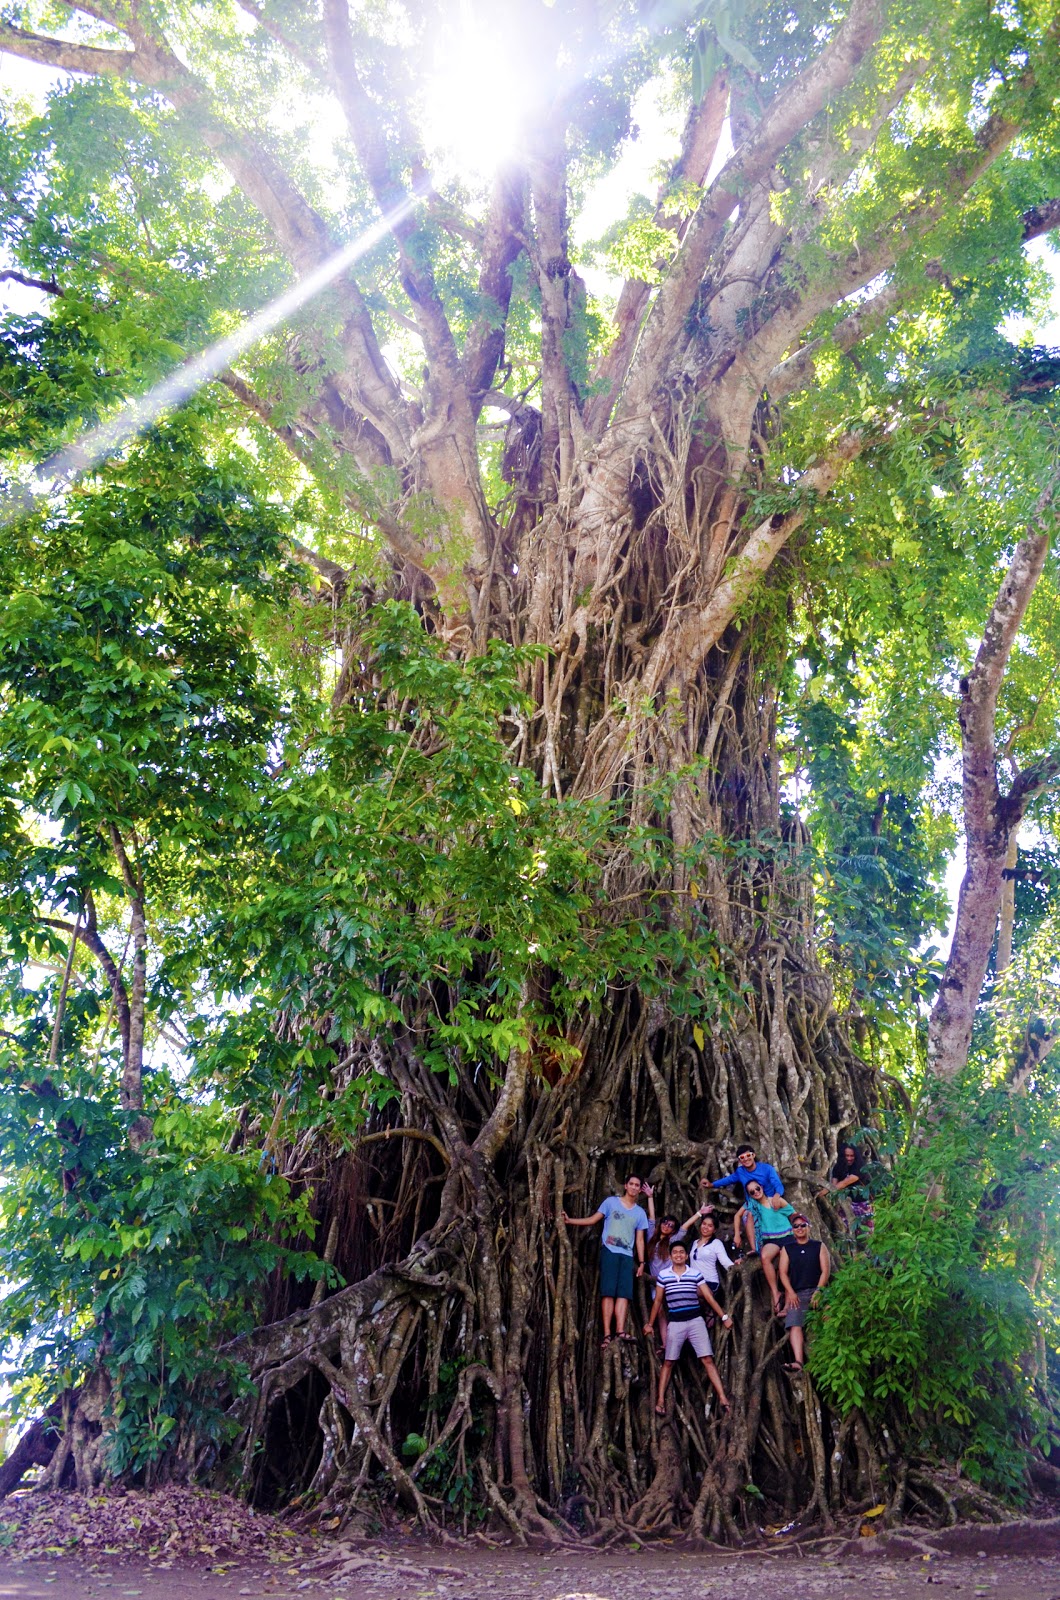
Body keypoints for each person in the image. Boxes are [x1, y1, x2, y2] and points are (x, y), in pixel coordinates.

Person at [643, 1239, 732, 1416]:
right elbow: (658, 1301)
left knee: (707, 1359)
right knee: (668, 1362)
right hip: (675, 1323)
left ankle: (723, 1398)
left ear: (686, 1256)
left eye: (681, 1252)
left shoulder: (695, 1274)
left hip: (695, 1321)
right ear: (670, 1256)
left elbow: (708, 1297)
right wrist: (650, 1324)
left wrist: (724, 1317)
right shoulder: (663, 1276)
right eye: (675, 1252)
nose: (678, 1255)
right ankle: (660, 1400)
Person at [564, 1175, 649, 1347]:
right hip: (610, 1251)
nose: (633, 1187)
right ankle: (607, 1334)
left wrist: (642, 1262)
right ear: (625, 1186)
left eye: (637, 1185)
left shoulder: (640, 1213)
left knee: (624, 1294)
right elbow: (593, 1219)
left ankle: (620, 1330)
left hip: (627, 1255)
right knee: (608, 1292)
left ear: (640, 1189)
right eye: (631, 1184)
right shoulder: (611, 1202)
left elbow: (640, 1240)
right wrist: (570, 1220)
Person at [703, 1143, 784, 1256]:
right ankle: (755, 1248)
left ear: (753, 1155)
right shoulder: (741, 1172)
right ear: (739, 1160)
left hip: (769, 1202)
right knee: (748, 1215)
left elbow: (778, 1184)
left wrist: (776, 1196)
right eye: (742, 1157)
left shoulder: (767, 1169)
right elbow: (729, 1179)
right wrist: (712, 1184)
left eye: (748, 1155)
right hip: (752, 1204)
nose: (746, 1159)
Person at [778, 1214, 830, 1371]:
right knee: (794, 1324)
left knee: (828, 1316)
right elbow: (782, 1273)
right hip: (797, 1294)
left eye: (803, 1225)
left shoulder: (819, 1246)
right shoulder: (788, 1249)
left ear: (808, 1227)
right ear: (792, 1230)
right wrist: (791, 1292)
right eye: (796, 1226)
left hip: (819, 1290)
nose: (799, 1228)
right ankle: (798, 1362)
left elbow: (825, 1270)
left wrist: (819, 1290)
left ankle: (830, 1354)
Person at [743, 1178, 796, 1316]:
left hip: (787, 1237)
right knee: (765, 1256)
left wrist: (799, 1233)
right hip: (770, 1239)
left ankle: (787, 1305)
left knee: (785, 1265)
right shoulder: (754, 1208)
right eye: (752, 1192)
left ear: (761, 1187)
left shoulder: (776, 1200)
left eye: (757, 1188)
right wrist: (753, 1246)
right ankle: (775, 1292)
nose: (756, 1192)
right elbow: (745, 1220)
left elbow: (794, 1215)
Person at [642, 1183, 679, 1347]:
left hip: (670, 1281)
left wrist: (699, 1213)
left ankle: (675, 1344)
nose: (666, 1226)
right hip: (655, 1283)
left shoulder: (673, 1240)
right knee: (660, 1313)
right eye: (665, 1222)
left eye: (671, 1226)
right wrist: (650, 1197)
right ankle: (666, 1344)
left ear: (673, 1231)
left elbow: (685, 1227)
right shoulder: (651, 1236)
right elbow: (651, 1218)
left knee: (671, 1311)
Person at [678, 1205, 733, 1302]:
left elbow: (725, 1261)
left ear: (714, 1230)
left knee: (684, 1291)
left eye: (710, 1226)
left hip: (709, 1282)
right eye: (704, 1224)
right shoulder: (695, 1243)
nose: (706, 1227)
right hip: (694, 1281)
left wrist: (735, 1266)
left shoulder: (716, 1243)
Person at [817, 1142, 873, 1236]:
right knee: (846, 1231)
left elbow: (845, 1182)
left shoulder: (860, 1166)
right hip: (846, 1203)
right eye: (847, 1155)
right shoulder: (838, 1167)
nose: (849, 1158)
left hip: (862, 1204)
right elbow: (834, 1184)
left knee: (866, 1233)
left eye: (852, 1156)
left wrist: (827, 1190)